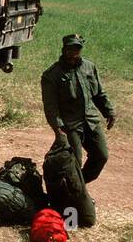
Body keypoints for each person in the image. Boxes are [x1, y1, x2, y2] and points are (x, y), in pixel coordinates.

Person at [41, 34, 115, 183]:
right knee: (74, 163)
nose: (73, 54)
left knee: (101, 156)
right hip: (70, 125)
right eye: (70, 50)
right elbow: (51, 107)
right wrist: (58, 129)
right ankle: (72, 191)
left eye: (76, 50)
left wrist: (109, 111)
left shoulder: (89, 67)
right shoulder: (52, 75)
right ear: (63, 50)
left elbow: (99, 93)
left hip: (91, 121)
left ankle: (78, 187)